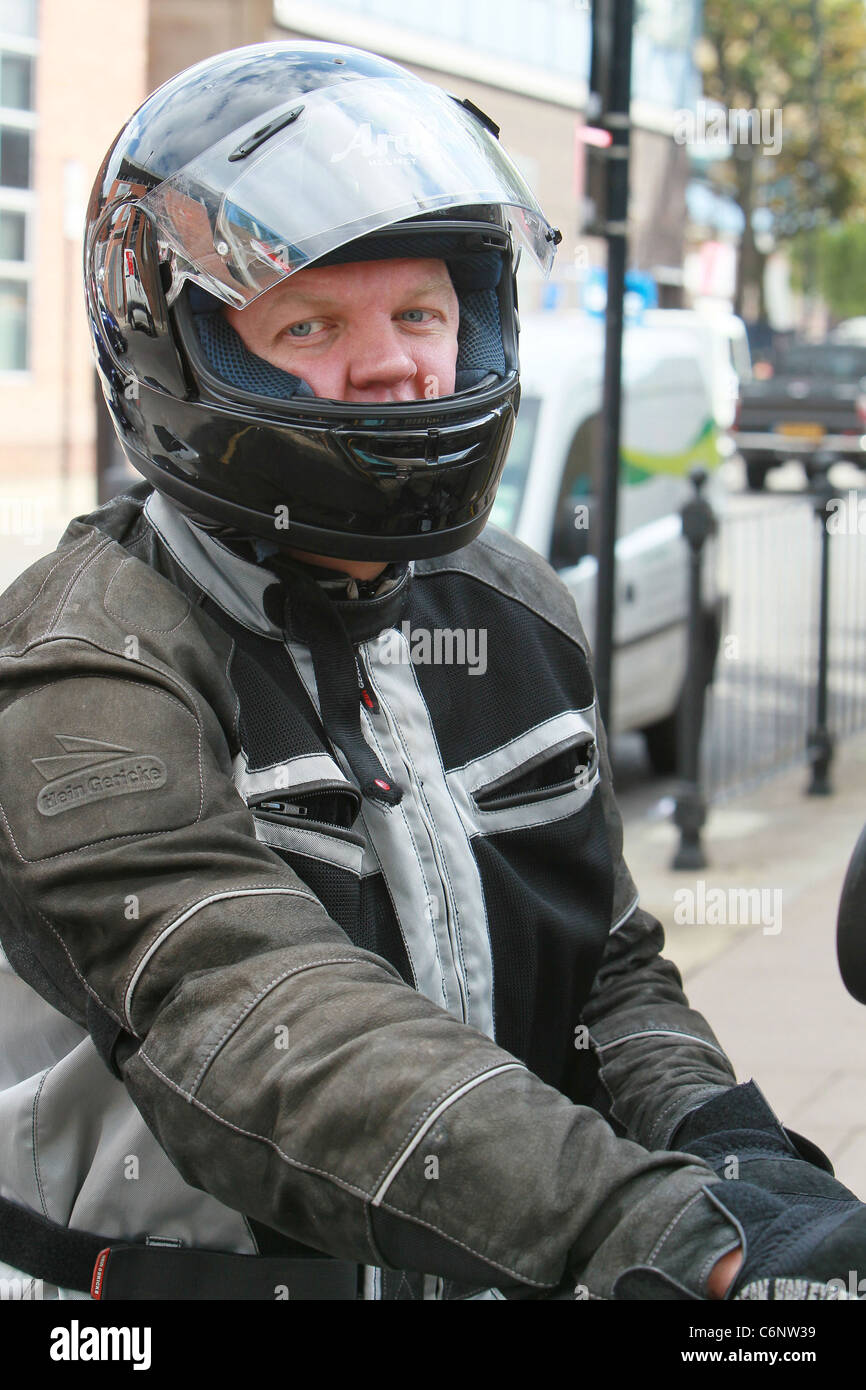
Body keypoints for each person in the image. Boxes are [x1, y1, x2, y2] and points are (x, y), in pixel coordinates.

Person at [0, 39, 863, 1304]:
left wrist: (729, 1154)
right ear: (178, 355)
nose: (398, 365)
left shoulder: (512, 608)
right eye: (310, 323)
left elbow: (602, 965)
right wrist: (662, 1230)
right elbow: (253, 1016)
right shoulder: (81, 666)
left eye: (420, 312)